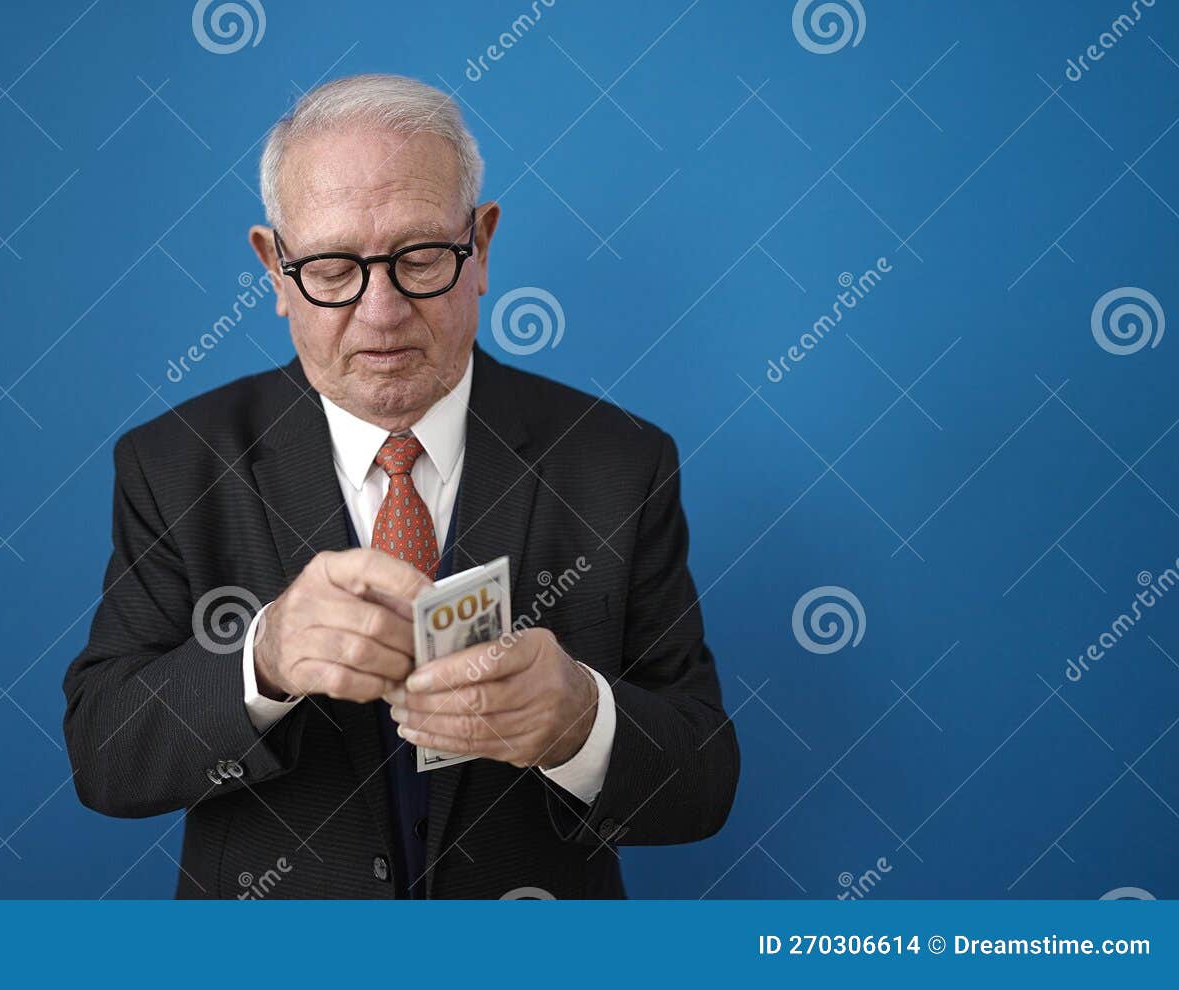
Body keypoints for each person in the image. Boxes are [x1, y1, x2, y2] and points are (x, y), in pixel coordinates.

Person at [62, 74, 738, 898]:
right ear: (275, 268)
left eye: (420, 258)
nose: (381, 312)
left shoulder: (620, 462)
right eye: (333, 268)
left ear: (481, 248)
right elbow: (105, 757)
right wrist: (262, 660)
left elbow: (703, 784)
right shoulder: (173, 465)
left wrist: (578, 721)